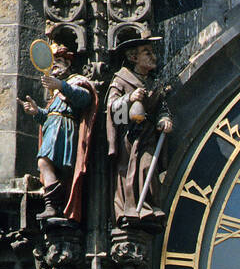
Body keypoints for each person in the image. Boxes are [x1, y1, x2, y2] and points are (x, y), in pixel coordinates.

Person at [19, 42, 96, 220]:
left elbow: (84, 99)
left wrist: (61, 85)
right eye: (51, 62)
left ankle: (53, 202)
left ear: (68, 64)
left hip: (64, 128)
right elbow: (50, 117)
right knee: (51, 167)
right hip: (54, 127)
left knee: (44, 162)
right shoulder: (55, 92)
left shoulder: (76, 81)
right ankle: (55, 204)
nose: (53, 65)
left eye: (57, 62)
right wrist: (37, 112)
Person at [106, 31, 172, 223]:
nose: (154, 57)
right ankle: (131, 207)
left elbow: (162, 107)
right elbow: (112, 108)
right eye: (147, 53)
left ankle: (148, 205)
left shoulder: (152, 83)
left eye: (153, 52)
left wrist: (164, 119)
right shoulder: (121, 79)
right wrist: (129, 98)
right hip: (129, 136)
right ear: (133, 57)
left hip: (148, 135)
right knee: (131, 169)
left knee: (148, 165)